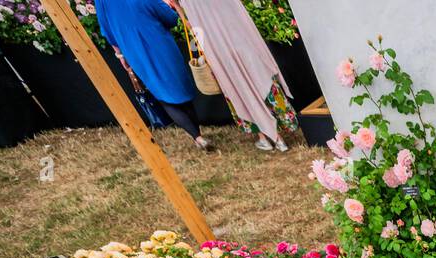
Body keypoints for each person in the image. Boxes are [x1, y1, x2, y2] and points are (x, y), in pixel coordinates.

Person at [176, 0, 298, 151]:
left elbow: (193, 28)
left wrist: (178, 8)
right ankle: (279, 139)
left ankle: (264, 138)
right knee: (259, 81)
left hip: (219, 52)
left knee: (240, 90)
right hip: (242, 41)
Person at [97, 0, 209, 150]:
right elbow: (169, 18)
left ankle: (197, 137)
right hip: (161, 44)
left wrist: (120, 55)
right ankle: (198, 136)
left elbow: (107, 29)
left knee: (161, 93)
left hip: (133, 51)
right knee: (180, 89)